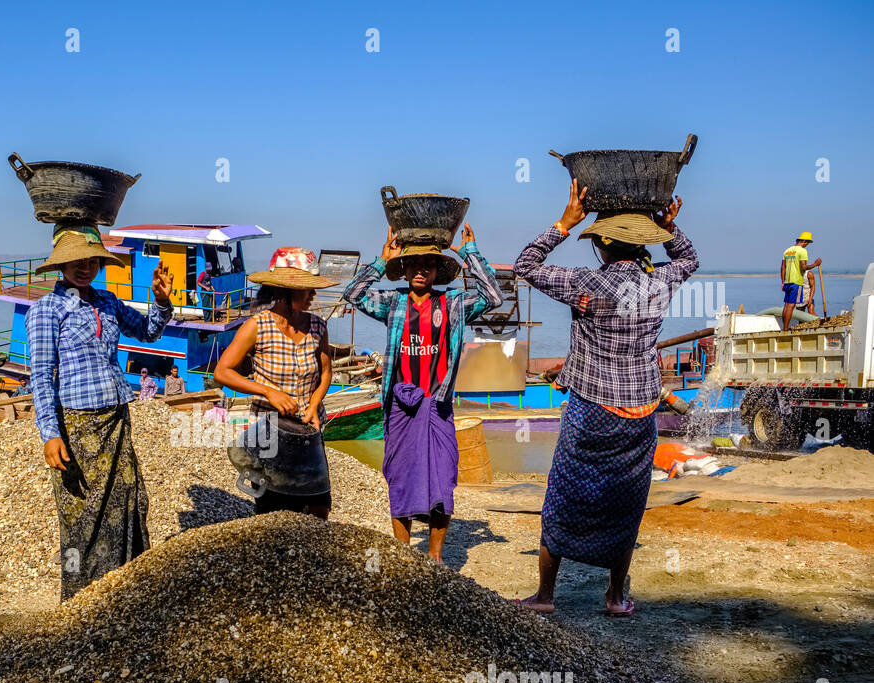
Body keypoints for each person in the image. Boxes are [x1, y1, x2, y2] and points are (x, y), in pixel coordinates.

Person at [513, 179, 697, 616]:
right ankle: (615, 596)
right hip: (640, 415)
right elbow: (689, 258)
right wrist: (669, 227)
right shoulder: (661, 283)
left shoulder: (585, 283)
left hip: (591, 409)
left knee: (563, 495)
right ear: (642, 245)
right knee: (626, 501)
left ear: (603, 244)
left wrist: (563, 223)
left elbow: (526, 263)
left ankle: (545, 596)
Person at [26, 224, 174, 601]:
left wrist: (160, 302)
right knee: (82, 516)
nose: (85, 267)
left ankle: (124, 590)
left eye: (92, 260)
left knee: (129, 501)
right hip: (77, 427)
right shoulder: (46, 310)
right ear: (61, 265)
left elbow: (148, 332)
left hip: (116, 419)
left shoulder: (107, 302)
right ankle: (80, 599)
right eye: (77, 260)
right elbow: (41, 377)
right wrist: (50, 434)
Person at [345, 222, 502, 560]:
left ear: (436, 271)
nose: (421, 271)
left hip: (438, 405)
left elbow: (493, 296)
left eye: (428, 266)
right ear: (404, 270)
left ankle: (434, 557)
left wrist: (469, 253)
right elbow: (353, 294)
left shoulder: (453, 304)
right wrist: (379, 261)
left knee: (443, 479)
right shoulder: (393, 303)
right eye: (414, 265)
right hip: (401, 407)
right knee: (400, 478)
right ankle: (402, 555)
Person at [212, 247, 336, 519]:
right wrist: (269, 392)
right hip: (269, 432)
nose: (313, 295)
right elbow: (222, 372)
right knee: (272, 509)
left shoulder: (318, 326)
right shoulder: (258, 326)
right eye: (307, 289)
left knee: (319, 505)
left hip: (309, 430)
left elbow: (326, 373)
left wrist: (314, 405)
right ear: (285, 291)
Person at [781, 232, 822, 330]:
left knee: (786, 305)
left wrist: (783, 281)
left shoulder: (787, 251)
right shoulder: (802, 251)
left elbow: (783, 267)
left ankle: (784, 327)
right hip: (796, 282)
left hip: (787, 282)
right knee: (791, 305)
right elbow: (804, 267)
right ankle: (785, 329)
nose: (807, 245)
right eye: (808, 243)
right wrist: (815, 264)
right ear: (804, 242)